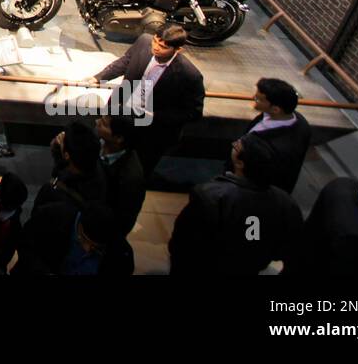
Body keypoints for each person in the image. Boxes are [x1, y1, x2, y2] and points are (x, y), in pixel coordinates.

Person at [169, 135, 303, 275]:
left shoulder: (210, 197)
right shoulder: (287, 203)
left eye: (236, 146)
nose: (233, 144)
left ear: (240, 163)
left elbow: (182, 244)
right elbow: (288, 247)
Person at [90, 24, 205, 179]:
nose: (156, 48)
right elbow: (125, 61)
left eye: (163, 46)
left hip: (152, 131)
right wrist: (99, 77)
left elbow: (193, 112)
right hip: (120, 114)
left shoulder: (189, 75)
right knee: (98, 158)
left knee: (134, 172)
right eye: (156, 41)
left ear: (178, 50)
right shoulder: (144, 41)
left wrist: (154, 115)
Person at [17, 199, 131, 275]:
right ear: (79, 224)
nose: (87, 249)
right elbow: (25, 243)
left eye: (96, 248)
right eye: (83, 239)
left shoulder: (120, 252)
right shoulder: (52, 216)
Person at [243, 77, 312, 194]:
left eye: (258, 99)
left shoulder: (278, 148)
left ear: (275, 109)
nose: (253, 99)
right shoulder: (284, 116)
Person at [97, 114, 147, 237]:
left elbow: (123, 221)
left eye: (103, 124)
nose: (97, 122)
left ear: (118, 138)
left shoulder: (131, 178)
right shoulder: (99, 139)